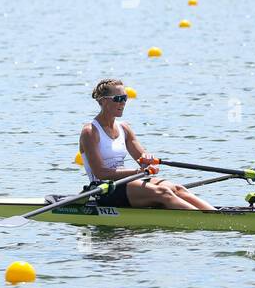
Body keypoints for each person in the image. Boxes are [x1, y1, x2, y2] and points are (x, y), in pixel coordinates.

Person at [79, 78, 215, 211]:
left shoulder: (124, 128)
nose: (123, 103)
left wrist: (147, 161)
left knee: (177, 189)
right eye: (118, 99)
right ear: (103, 101)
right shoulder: (90, 132)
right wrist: (138, 172)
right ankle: (207, 222)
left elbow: (142, 159)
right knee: (163, 192)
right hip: (103, 189)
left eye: (125, 98)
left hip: (125, 182)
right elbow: (101, 173)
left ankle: (216, 215)